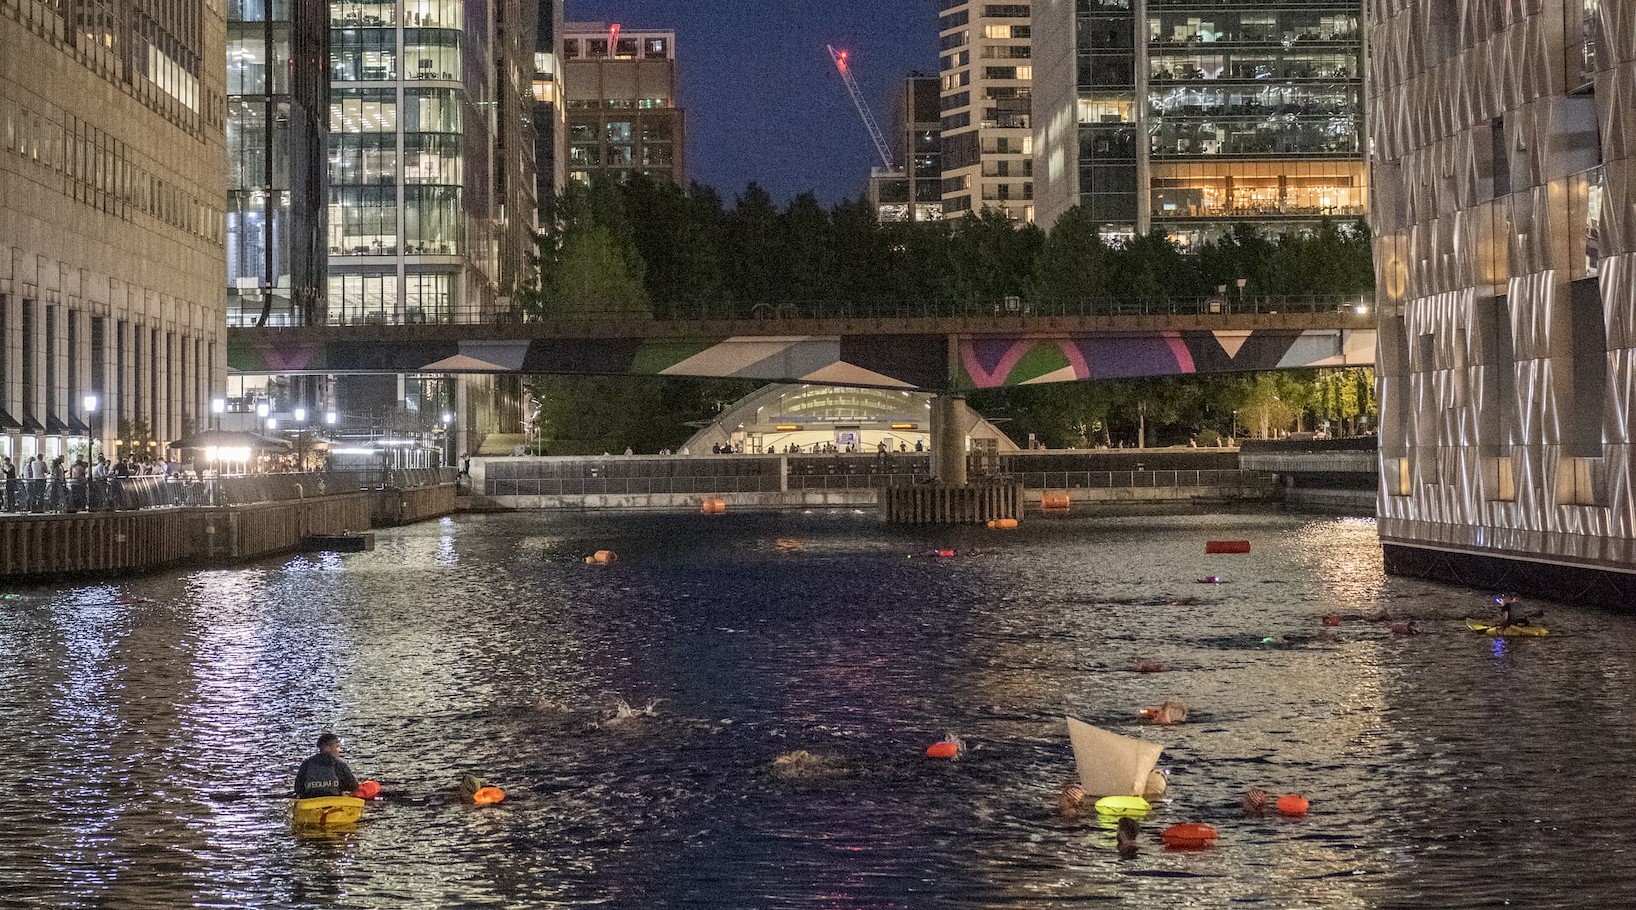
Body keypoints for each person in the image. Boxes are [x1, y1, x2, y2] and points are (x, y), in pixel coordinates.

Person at [294, 732, 361, 798]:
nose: (339, 750)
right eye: (337, 746)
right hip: (334, 802)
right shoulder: (339, 765)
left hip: (310, 803)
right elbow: (353, 787)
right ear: (327, 748)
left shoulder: (306, 764)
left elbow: (298, 789)